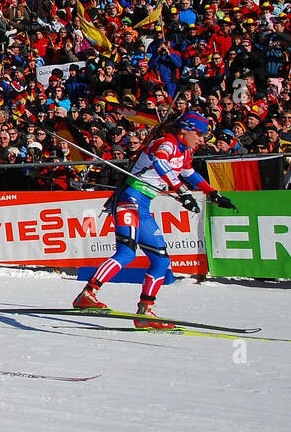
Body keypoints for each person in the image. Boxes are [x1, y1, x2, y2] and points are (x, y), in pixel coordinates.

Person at [73, 111, 235, 327]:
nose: (202, 139)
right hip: (129, 199)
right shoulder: (166, 143)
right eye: (200, 133)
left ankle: (145, 312)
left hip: (144, 205)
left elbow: (189, 173)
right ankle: (88, 294)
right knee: (126, 252)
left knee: (161, 260)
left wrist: (213, 193)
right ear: (185, 129)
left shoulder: (185, 151)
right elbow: (160, 163)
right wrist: (182, 191)